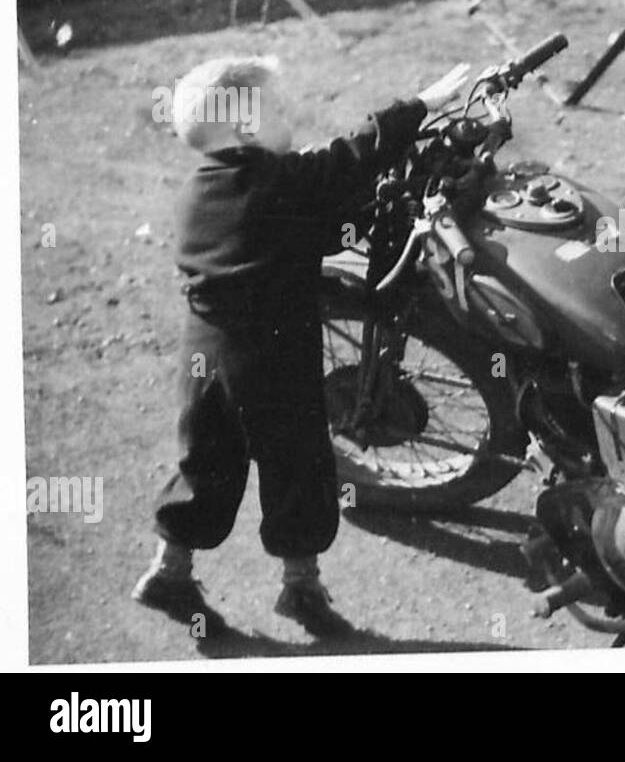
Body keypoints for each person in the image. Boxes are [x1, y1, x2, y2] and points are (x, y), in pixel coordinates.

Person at [132, 54, 468, 637]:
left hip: (205, 362)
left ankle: (168, 571)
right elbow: (349, 159)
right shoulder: (282, 182)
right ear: (244, 127)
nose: (293, 117)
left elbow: (304, 217)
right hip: (275, 363)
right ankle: (300, 588)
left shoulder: (197, 193)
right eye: (279, 109)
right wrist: (423, 106)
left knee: (206, 467)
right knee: (301, 470)